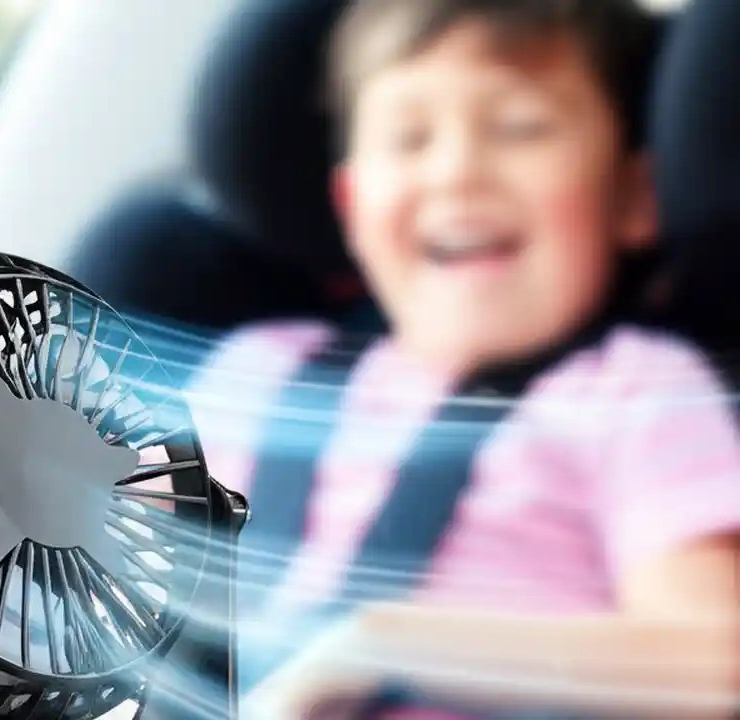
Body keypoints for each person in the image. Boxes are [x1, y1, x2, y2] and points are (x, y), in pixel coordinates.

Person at [186, 0, 740, 717]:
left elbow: (717, 660)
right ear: (352, 207)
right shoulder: (255, 377)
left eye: (519, 129)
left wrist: (382, 647)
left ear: (634, 195)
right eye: (409, 139)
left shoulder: (631, 393)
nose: (456, 173)